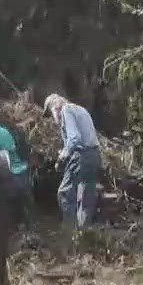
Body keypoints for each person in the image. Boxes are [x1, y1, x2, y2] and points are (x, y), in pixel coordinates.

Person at [43, 93, 100, 226]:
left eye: (51, 113)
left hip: (81, 157)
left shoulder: (66, 110)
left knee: (64, 193)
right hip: (94, 156)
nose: (53, 118)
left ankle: (69, 232)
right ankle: (83, 233)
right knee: (85, 200)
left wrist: (61, 158)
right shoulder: (81, 109)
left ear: (54, 106)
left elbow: (74, 139)